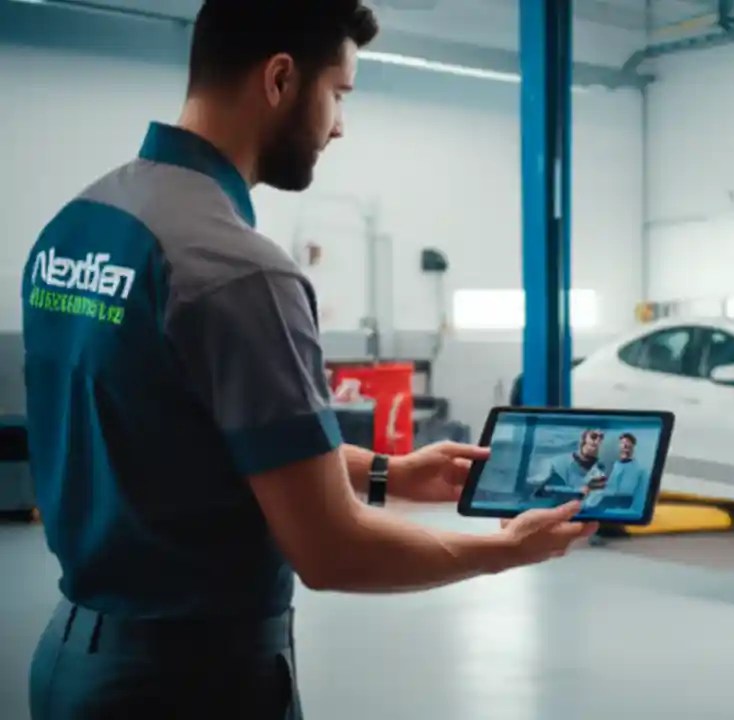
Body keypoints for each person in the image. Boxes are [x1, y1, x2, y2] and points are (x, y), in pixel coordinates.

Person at [21, 2, 595, 718]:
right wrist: (505, 550)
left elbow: (182, 432)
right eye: (340, 93)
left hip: (69, 665)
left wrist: (390, 472)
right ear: (281, 80)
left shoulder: (76, 227)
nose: (340, 126)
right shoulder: (239, 271)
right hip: (190, 684)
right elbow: (332, 551)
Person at [529, 428, 610, 503]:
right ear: (583, 439)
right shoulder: (555, 463)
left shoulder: (601, 473)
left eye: (601, 438)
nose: (597, 441)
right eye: (594, 436)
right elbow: (539, 495)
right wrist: (579, 491)